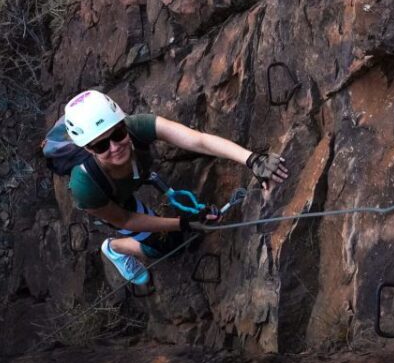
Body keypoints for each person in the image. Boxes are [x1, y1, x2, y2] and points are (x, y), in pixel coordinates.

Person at [62, 89, 289, 285]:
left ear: (123, 124)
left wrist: (252, 160)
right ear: (89, 149)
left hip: (133, 177)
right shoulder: (85, 186)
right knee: (168, 246)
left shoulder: (137, 127)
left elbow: (198, 141)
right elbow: (125, 219)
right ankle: (114, 248)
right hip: (115, 201)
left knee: (173, 235)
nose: (114, 147)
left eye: (118, 134)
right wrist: (183, 224)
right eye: (102, 145)